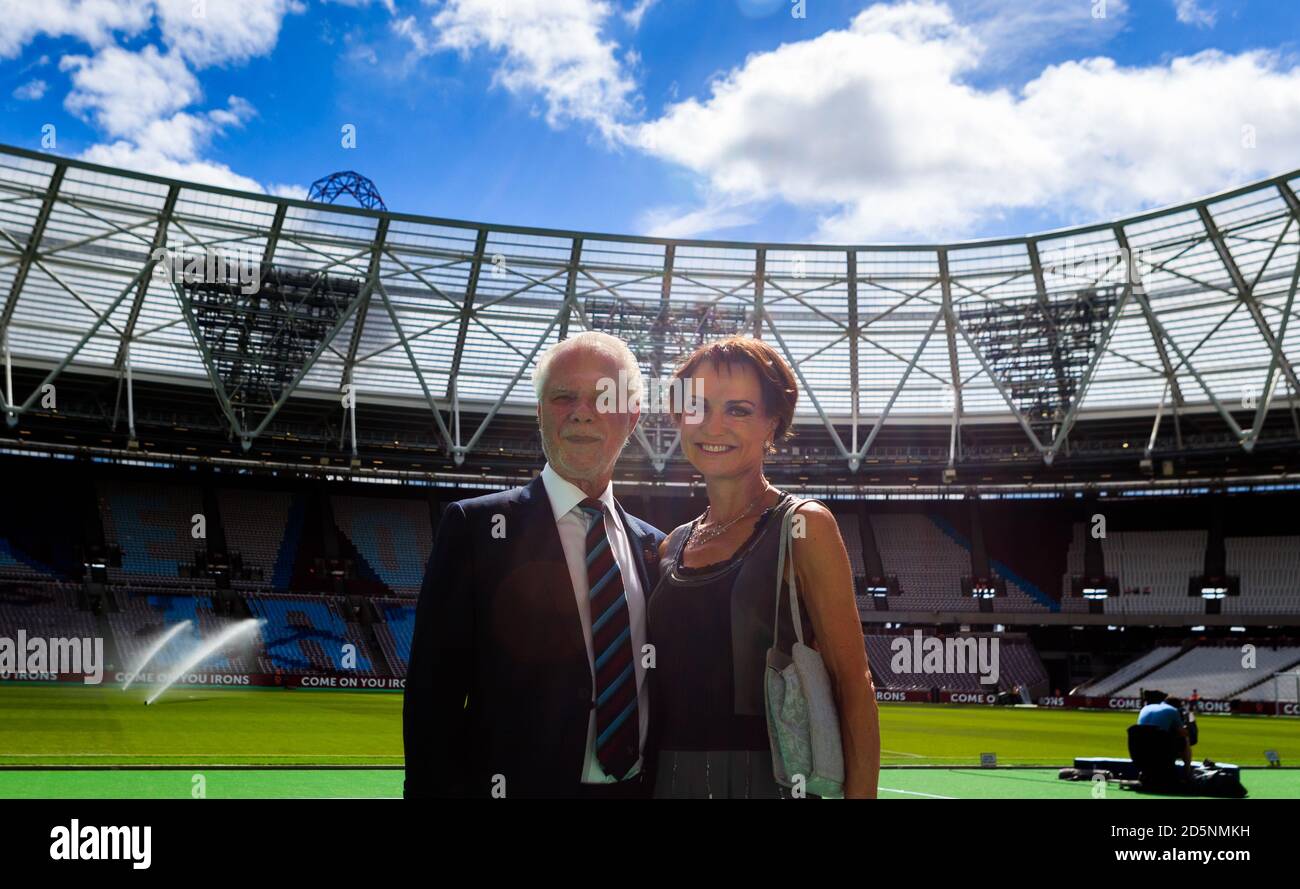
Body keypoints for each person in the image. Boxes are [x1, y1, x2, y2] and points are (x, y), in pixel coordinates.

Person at [403, 332, 666, 799]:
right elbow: (432, 700)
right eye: (563, 396)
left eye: (603, 398)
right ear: (540, 411)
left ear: (633, 417)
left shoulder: (655, 548)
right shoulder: (476, 529)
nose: (582, 411)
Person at [648, 335, 881, 798]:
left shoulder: (803, 526)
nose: (714, 425)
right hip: (666, 780)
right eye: (697, 407)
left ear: (772, 423)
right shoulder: (671, 545)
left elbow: (854, 684)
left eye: (739, 410)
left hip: (769, 783)